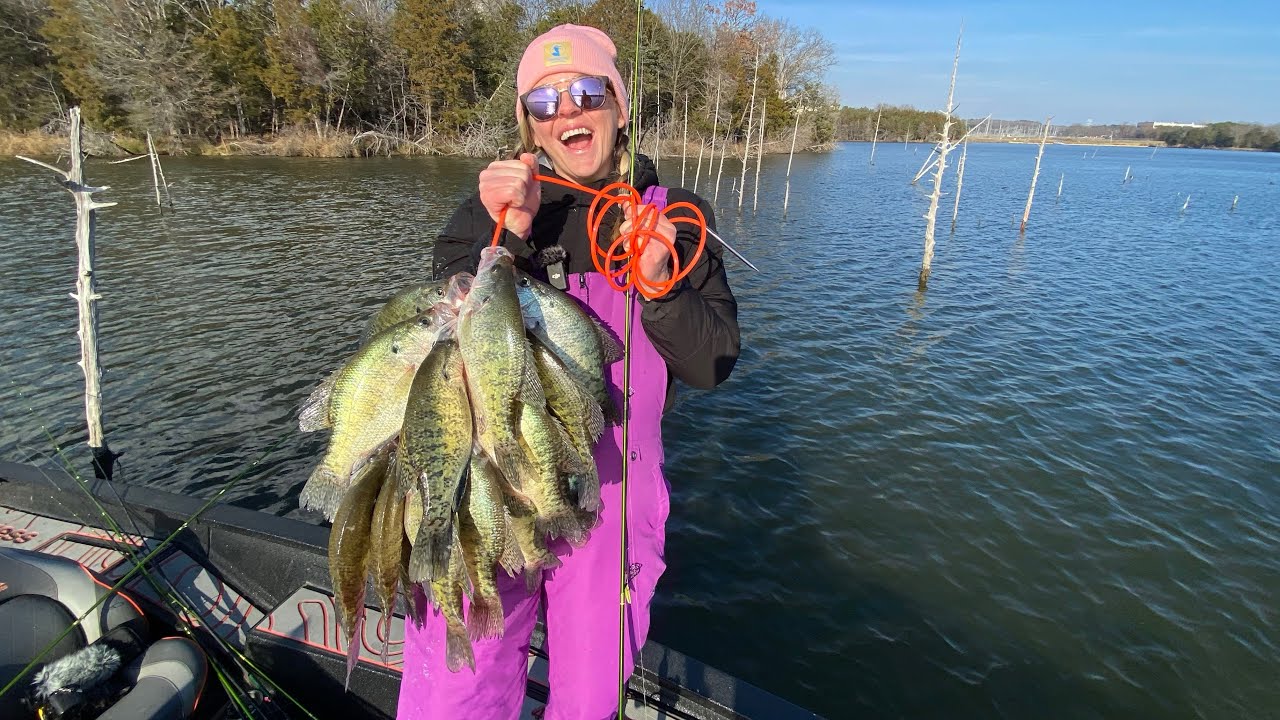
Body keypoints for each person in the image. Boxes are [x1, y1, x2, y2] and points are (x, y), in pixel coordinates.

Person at [397, 23, 739, 720]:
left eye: (586, 91)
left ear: (619, 106)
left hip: (612, 493)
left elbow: (712, 363)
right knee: (458, 684)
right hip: (491, 474)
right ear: (528, 123)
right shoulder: (487, 214)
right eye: (544, 102)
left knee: (590, 693)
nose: (568, 112)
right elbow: (447, 338)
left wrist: (662, 287)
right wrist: (509, 236)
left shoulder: (674, 219)